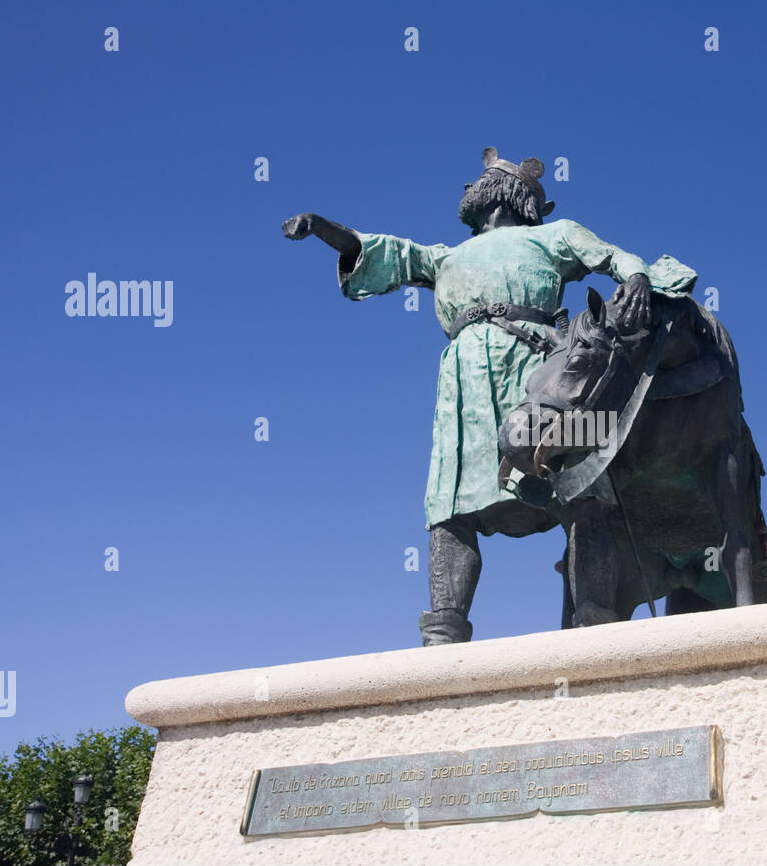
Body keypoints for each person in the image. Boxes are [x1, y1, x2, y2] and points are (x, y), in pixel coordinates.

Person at [282, 147, 695, 645]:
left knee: (583, 492)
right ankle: (444, 633)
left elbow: (613, 256)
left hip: (540, 374)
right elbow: (385, 250)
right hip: (463, 388)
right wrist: (325, 229)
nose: (466, 189)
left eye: (477, 181)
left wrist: (636, 278)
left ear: (507, 191)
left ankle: (593, 625)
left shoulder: (552, 235)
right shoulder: (448, 256)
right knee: (451, 503)